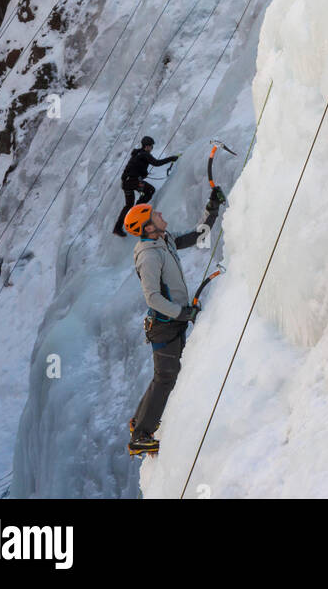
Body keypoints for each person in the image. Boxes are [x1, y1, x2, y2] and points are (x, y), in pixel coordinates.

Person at [126, 190, 224, 456]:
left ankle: (140, 420)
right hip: (165, 324)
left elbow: (194, 236)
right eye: (155, 215)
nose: (161, 215)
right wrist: (181, 314)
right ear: (148, 227)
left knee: (164, 376)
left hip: (173, 320)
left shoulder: (164, 239)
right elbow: (153, 298)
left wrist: (211, 209)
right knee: (166, 377)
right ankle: (140, 436)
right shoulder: (148, 255)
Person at [112, 135, 179, 237]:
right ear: (147, 146)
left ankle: (118, 227)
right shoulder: (144, 154)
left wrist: (142, 173)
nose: (152, 149)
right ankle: (137, 213)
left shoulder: (137, 154)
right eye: (151, 146)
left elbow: (135, 167)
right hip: (133, 181)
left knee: (128, 205)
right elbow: (156, 163)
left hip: (126, 182)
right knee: (150, 190)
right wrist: (171, 158)